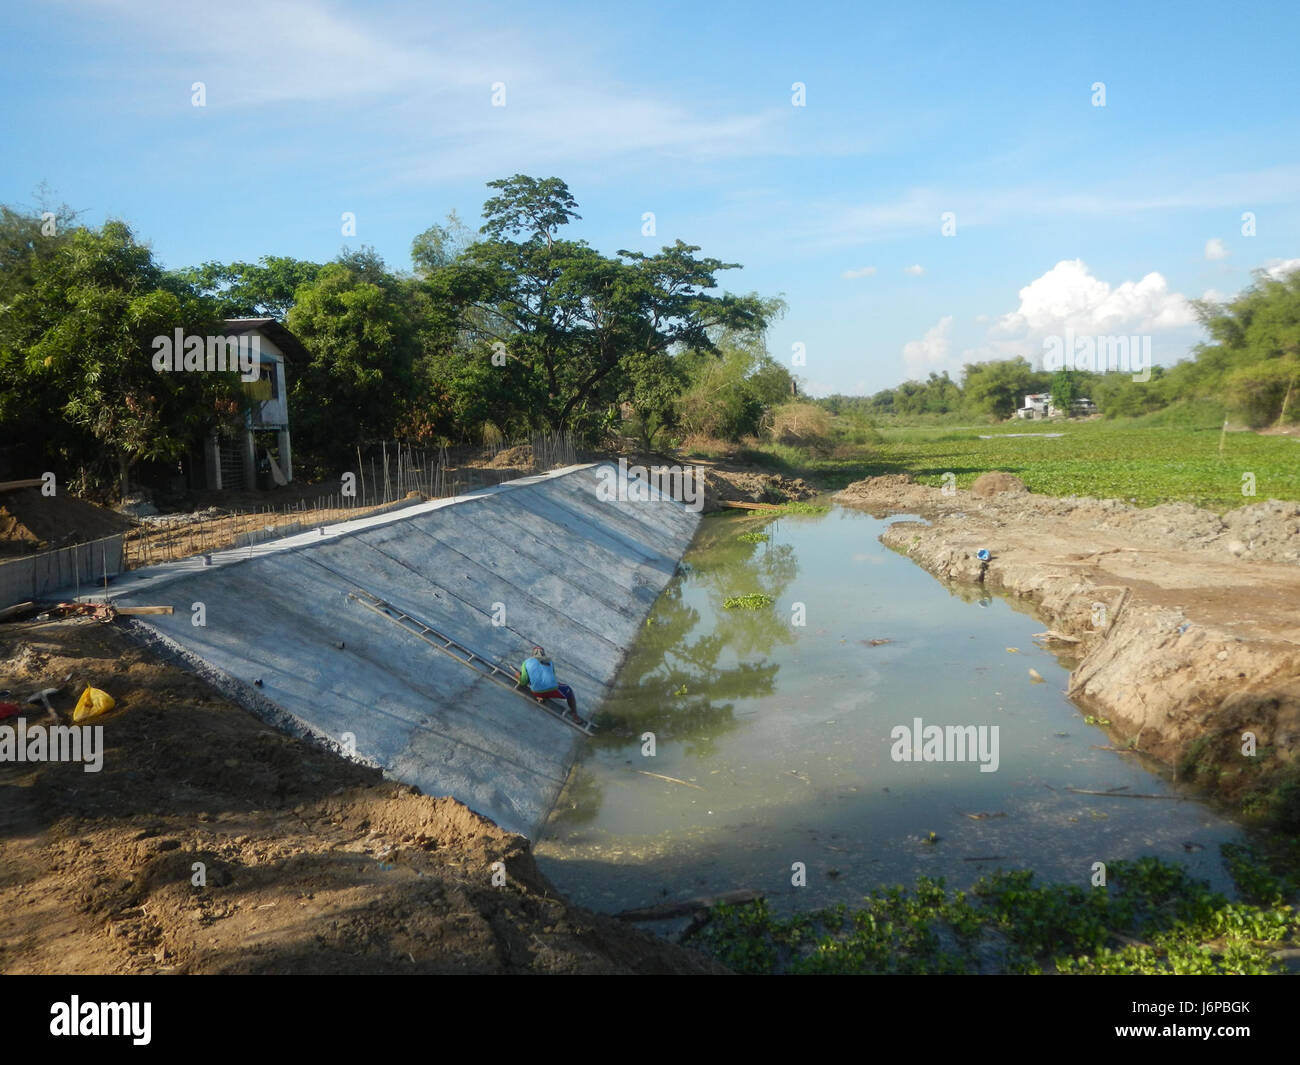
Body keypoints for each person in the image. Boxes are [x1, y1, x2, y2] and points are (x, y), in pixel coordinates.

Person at [515, 646, 580, 721]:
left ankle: (541, 697)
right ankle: (574, 714)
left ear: (532, 654)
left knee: (531, 679)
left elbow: (523, 682)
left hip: (536, 692)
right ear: (543, 654)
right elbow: (553, 677)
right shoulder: (549, 661)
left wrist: (518, 675)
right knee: (569, 690)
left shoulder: (526, 662)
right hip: (553, 691)